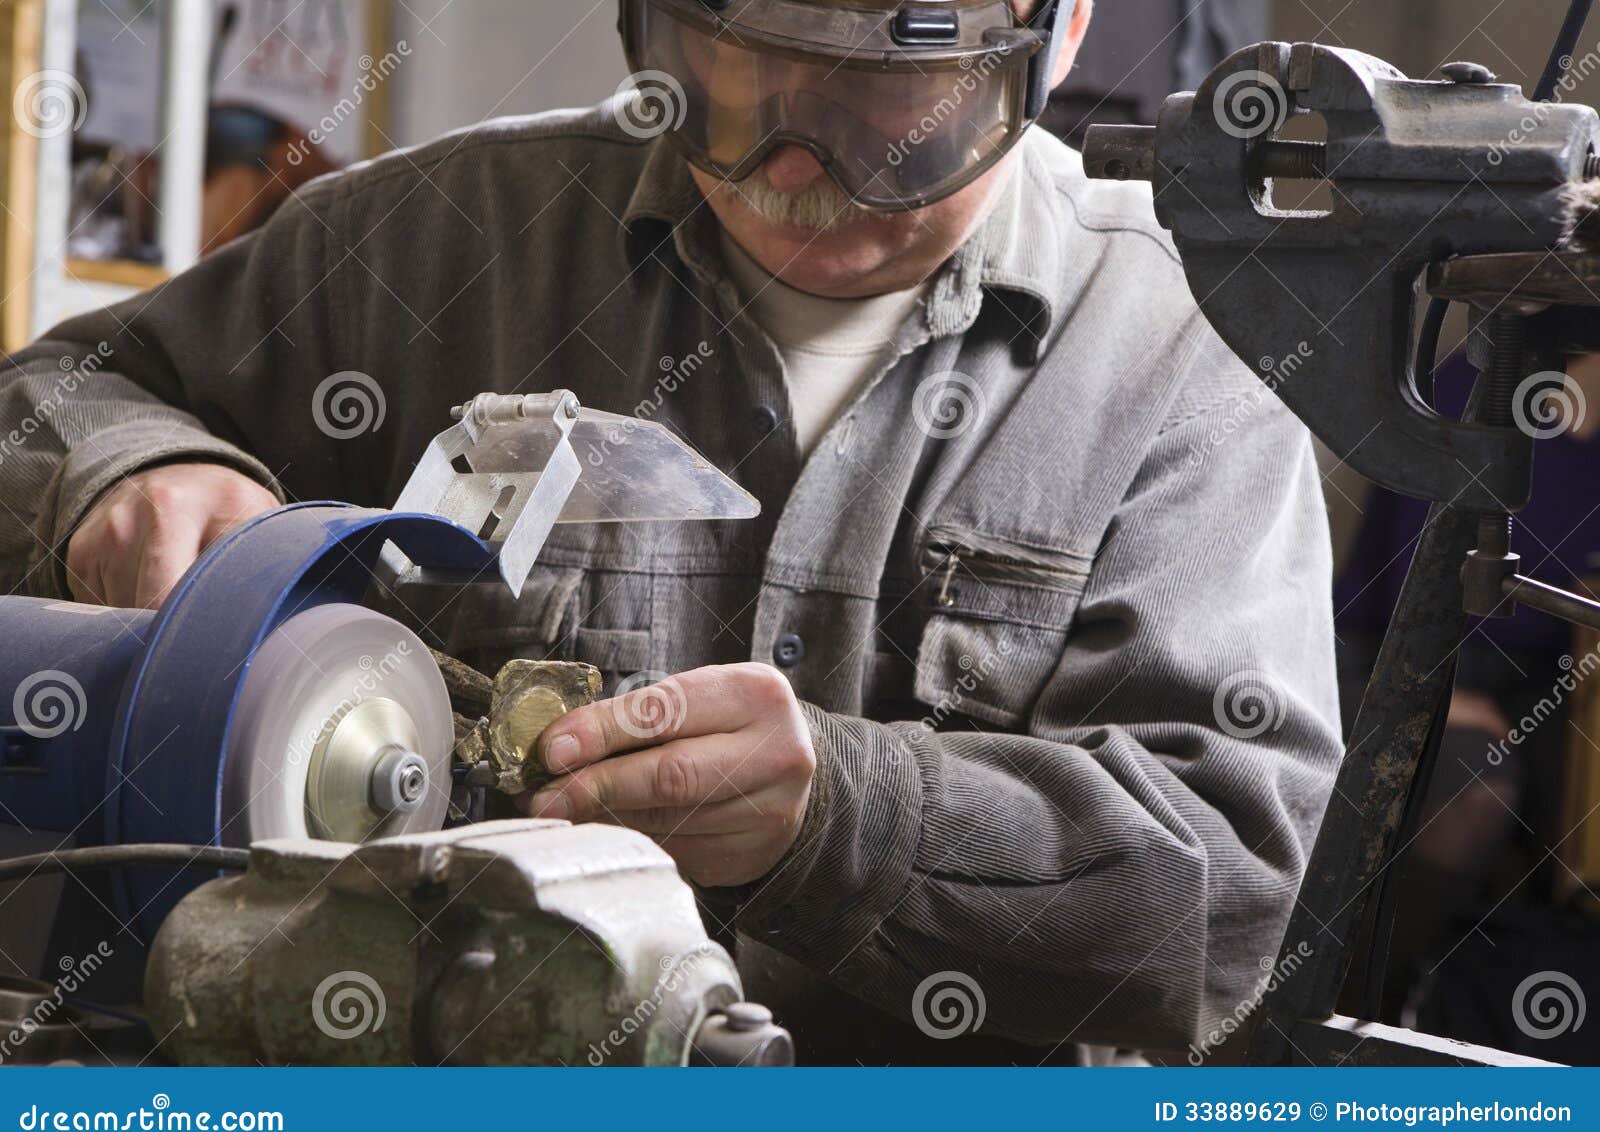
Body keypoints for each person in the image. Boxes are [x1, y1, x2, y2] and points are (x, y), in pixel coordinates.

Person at [0, 0, 1343, 1063]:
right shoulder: (448, 238)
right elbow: (46, 398)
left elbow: (1230, 896)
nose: (798, 170)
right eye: (737, 75)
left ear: (1058, 34)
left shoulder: (1187, 347)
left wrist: (842, 818)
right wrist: (127, 466)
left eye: (892, 109)